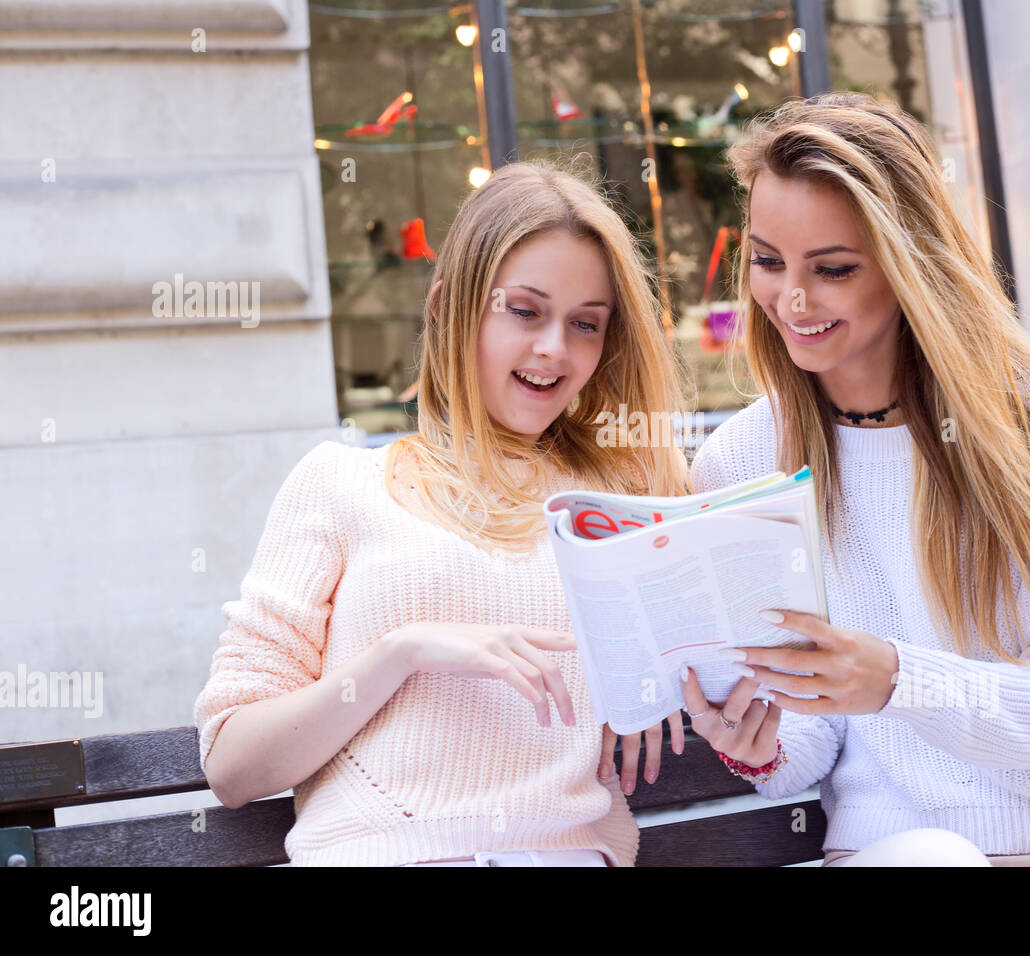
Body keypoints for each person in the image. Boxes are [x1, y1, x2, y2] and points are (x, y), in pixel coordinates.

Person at [683, 92, 1030, 867]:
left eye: (834, 268)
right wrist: (762, 744)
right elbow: (812, 740)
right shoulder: (742, 461)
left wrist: (897, 678)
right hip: (902, 849)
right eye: (768, 262)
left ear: (910, 262)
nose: (793, 300)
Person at [195, 161, 690, 867]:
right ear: (447, 309)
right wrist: (404, 652)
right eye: (524, 310)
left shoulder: (621, 497)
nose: (554, 347)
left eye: (585, 324)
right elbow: (233, 764)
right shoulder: (340, 483)